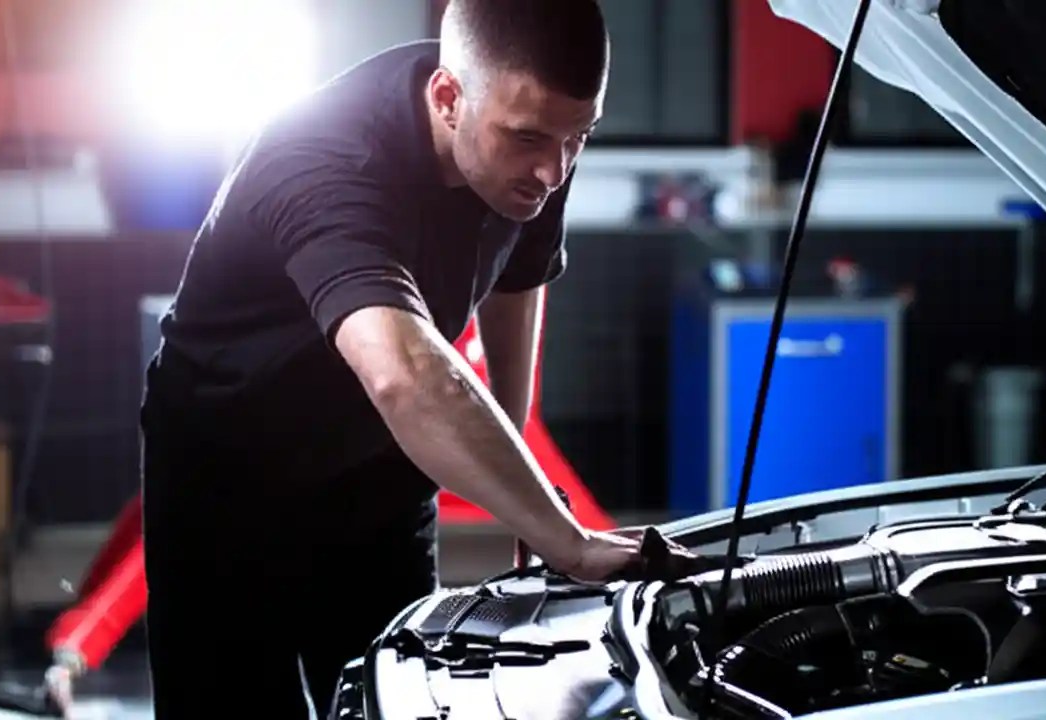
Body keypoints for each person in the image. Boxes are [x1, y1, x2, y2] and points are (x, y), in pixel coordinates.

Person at [139, 0, 663, 716]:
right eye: (531, 139)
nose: (553, 169)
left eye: (580, 136)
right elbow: (403, 373)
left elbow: (518, 281)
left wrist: (522, 495)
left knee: (401, 696)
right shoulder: (325, 157)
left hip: (380, 470)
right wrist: (567, 543)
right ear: (449, 98)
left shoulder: (534, 136)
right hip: (234, 469)